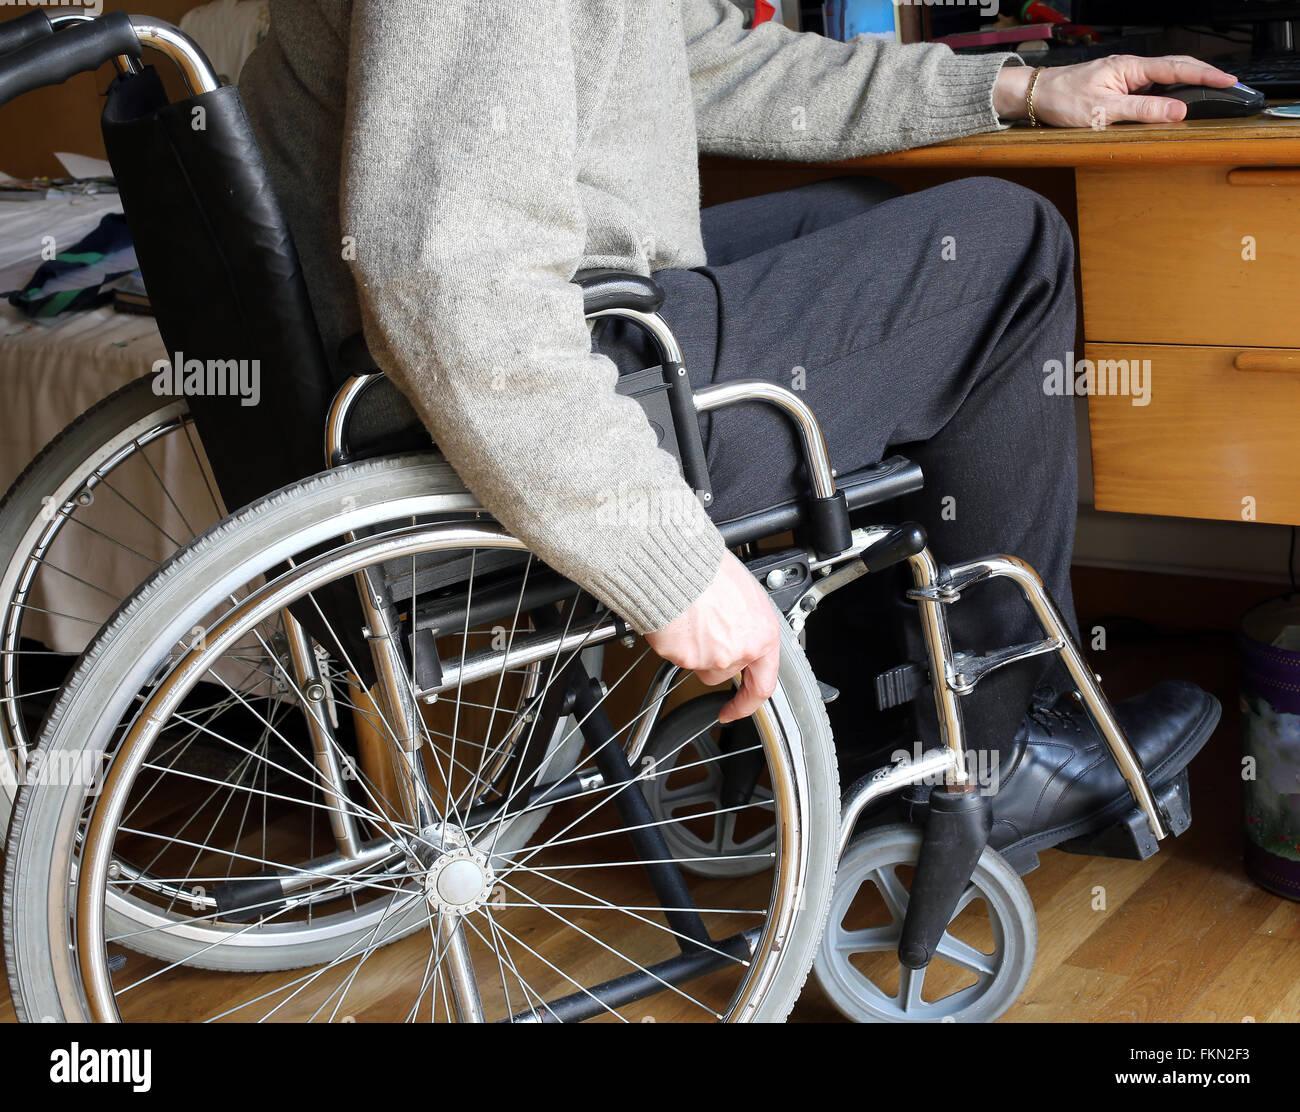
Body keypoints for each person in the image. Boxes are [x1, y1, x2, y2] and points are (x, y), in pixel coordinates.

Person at [240, 1, 1222, 866]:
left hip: (541, 331)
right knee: (1010, 252)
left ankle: (870, 735)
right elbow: (450, 275)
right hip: (512, 386)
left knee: (860, 220)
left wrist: (1016, 85)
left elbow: (714, 60)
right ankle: (997, 750)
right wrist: (668, 563)